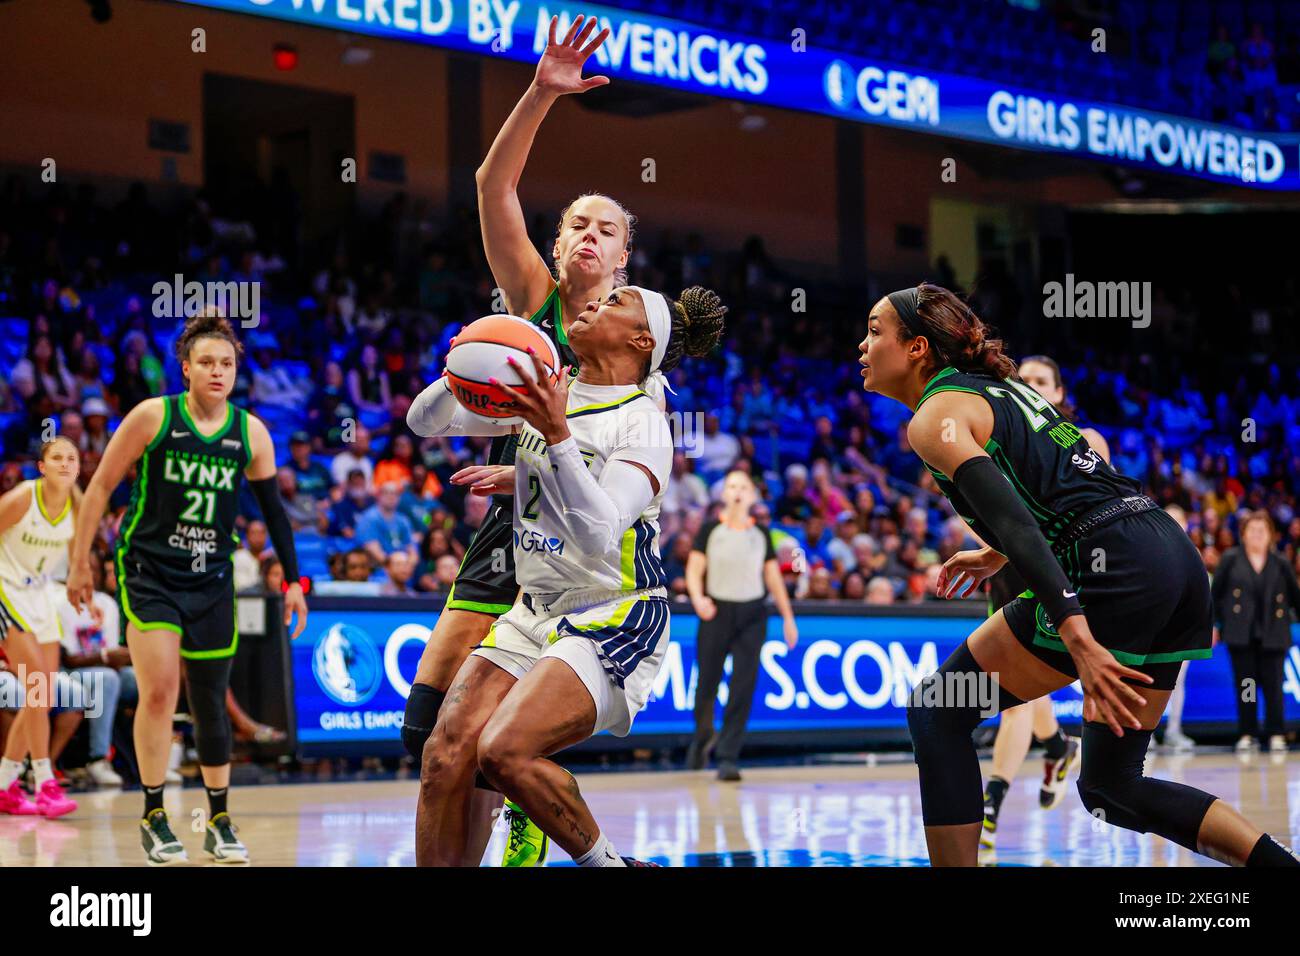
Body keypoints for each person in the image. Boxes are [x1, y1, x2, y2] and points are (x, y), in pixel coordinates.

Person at [861, 282, 1297, 867]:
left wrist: (1078, 635)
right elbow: (1053, 487)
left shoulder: (934, 416)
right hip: (1171, 556)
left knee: (937, 711)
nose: (861, 345)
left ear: (916, 348)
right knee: (1113, 787)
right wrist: (995, 556)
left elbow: (1019, 522)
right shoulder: (1001, 389)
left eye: (874, 330)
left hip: (1113, 569)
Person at [402, 14, 640, 868]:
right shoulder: (533, 300)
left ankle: (530, 804)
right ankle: (515, 811)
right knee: (427, 735)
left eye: (606, 229)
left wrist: (552, 472)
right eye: (577, 222)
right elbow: (492, 185)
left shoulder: (633, 338)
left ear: (623, 261)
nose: (588, 235)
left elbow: (635, 470)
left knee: (484, 747)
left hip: (580, 549)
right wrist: (542, 92)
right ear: (556, 245)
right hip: (508, 538)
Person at [410, 278, 725, 867]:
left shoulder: (643, 423)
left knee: (504, 749)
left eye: (615, 302)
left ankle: (609, 865)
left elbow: (601, 534)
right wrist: (460, 366)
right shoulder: (546, 384)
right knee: (443, 754)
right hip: (534, 609)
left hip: (614, 609)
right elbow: (425, 423)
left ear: (641, 340)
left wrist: (554, 437)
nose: (592, 302)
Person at [66, 312, 308, 865]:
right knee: (159, 688)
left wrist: (294, 581)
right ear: (186, 368)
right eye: (206, 362)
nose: (217, 371)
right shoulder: (153, 417)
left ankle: (218, 819)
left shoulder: (251, 433)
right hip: (150, 572)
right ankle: (153, 813)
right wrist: (80, 562)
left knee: (209, 701)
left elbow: (275, 515)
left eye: (226, 363)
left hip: (213, 577)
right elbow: (100, 485)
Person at [972, 355, 1100, 862]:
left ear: (1062, 391)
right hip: (1005, 569)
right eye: (1024, 379)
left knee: (1016, 696)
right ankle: (1058, 749)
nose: (1031, 386)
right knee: (1021, 692)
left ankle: (992, 808)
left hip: (1055, 572)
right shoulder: (999, 433)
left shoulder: (1082, 438)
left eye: (1042, 380)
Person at [685, 469, 797, 780]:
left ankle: (728, 756)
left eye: (743, 487)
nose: (737, 491)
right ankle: (703, 734)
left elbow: (773, 576)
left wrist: (788, 617)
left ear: (752, 495)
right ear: (723, 493)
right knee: (707, 682)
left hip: (753, 614)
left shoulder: (761, 534)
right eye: (731, 485)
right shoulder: (709, 530)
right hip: (717, 611)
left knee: (743, 686)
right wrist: (698, 598)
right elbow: (695, 569)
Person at [0, 438, 82, 816]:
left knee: (41, 696)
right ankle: (45, 781)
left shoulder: (77, 507)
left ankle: (4, 785)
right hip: (4, 588)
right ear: (42, 466)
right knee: (35, 682)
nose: (65, 464)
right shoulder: (22, 497)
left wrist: (88, 593)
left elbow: (80, 560)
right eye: (57, 458)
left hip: (40, 595)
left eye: (71, 458)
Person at [1212, 510, 1300, 754]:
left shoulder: (1281, 562)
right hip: (1242, 635)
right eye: (1252, 530)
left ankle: (1276, 733)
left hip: (1274, 633)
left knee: (1274, 688)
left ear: (1271, 535)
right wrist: (1214, 625)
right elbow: (1215, 596)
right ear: (1243, 534)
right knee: (1247, 686)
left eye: (1262, 530)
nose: (1258, 535)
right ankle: (1248, 732)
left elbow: (1295, 597)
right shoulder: (1231, 559)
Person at [56, 554, 133, 787]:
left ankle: (151, 758)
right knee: (105, 680)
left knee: (150, 682)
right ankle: (98, 758)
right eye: (85, 569)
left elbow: (113, 649)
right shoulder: (60, 603)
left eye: (95, 570)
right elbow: (68, 658)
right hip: (69, 674)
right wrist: (105, 657)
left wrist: (115, 657)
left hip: (105, 671)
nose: (91, 575)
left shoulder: (106, 603)